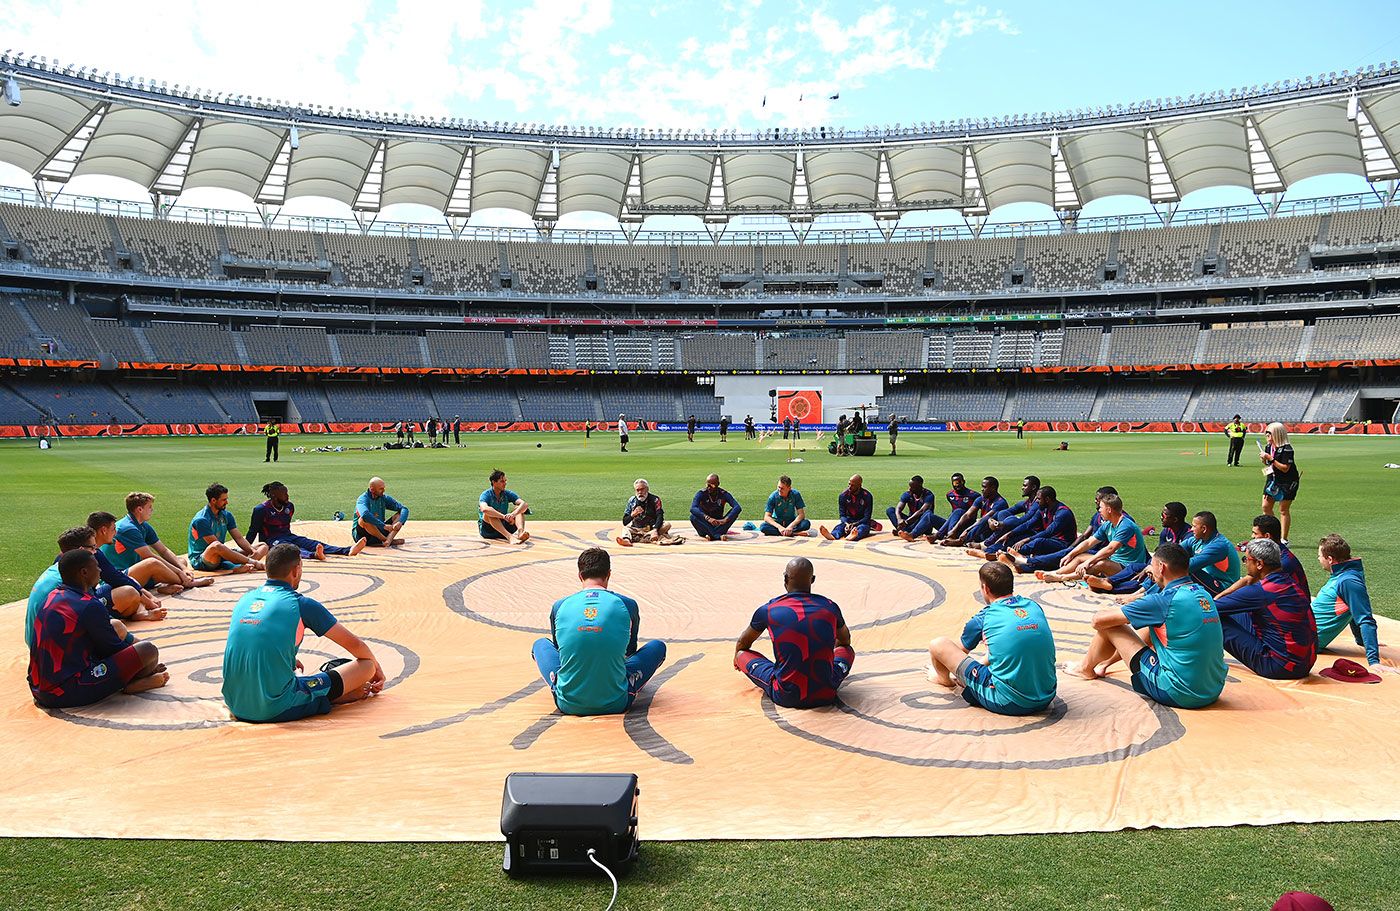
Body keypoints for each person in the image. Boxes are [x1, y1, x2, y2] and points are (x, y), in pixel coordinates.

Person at [221, 543, 385, 723]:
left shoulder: (246, 599)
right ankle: (328, 697)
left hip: (235, 703)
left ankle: (325, 696)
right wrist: (377, 670)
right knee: (366, 666)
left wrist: (287, 659)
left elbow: (253, 640)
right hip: (274, 708)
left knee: (295, 673)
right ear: (296, 570)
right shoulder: (301, 604)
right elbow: (357, 646)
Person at [1067, 542, 1226, 709]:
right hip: (1212, 690)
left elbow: (1098, 621)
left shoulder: (1163, 601)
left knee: (1111, 626)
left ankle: (1085, 668)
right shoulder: (1203, 594)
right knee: (1156, 628)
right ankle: (1104, 664)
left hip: (1179, 693)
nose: (1149, 570)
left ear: (1161, 567)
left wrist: (1122, 610)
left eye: (1151, 566)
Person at [531, 547, 667, 715]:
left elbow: (560, 651)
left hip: (568, 703)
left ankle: (568, 686)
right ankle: (612, 682)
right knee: (657, 647)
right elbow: (629, 652)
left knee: (540, 644)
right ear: (608, 574)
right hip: (616, 701)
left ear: (580, 575)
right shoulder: (627, 604)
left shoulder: (560, 606)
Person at [28, 550, 169, 708]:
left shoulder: (53, 596)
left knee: (112, 635)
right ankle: (135, 682)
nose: (100, 571)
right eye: (97, 566)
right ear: (84, 572)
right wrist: (139, 664)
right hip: (65, 691)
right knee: (147, 650)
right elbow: (112, 648)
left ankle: (135, 677)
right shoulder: (89, 605)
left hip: (39, 689)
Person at [926, 561, 1056, 716]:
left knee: (938, 644)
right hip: (1046, 696)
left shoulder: (985, 616)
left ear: (985, 588)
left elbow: (958, 653)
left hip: (1009, 702)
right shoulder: (1033, 606)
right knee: (1012, 644)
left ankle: (944, 680)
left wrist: (965, 674)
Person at [734, 557, 853, 708]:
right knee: (847, 650)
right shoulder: (830, 606)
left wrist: (737, 658)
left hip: (786, 696)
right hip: (826, 693)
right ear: (813, 580)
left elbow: (743, 643)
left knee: (741, 654)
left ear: (785, 578)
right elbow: (845, 641)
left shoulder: (769, 609)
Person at [26, 526, 152, 651]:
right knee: (116, 628)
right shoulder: (75, 579)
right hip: (52, 648)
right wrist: (138, 649)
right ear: (82, 551)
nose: (96, 551)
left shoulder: (60, 568)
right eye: (93, 547)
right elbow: (103, 624)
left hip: (37, 642)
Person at [1213, 538, 1316, 680]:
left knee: (1212, 618)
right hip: (1305, 663)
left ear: (1259, 564)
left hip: (1277, 666)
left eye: (1246, 559)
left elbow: (1210, 609)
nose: (1245, 564)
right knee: (1237, 611)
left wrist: (1217, 598)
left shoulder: (1260, 591)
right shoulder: (1289, 582)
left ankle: (1197, 659)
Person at [102, 492, 210, 593]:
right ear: (140, 509)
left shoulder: (142, 525)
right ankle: (186, 582)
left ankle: (163, 586)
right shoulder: (128, 528)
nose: (152, 511)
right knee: (152, 564)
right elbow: (149, 556)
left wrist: (183, 568)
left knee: (180, 561)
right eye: (149, 507)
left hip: (134, 570)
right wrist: (180, 573)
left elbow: (163, 550)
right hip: (118, 575)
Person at [1311, 533, 1388, 675]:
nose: (1318, 559)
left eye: (1319, 556)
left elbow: (1365, 619)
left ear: (1330, 559)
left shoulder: (1348, 581)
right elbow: (1352, 609)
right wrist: (1361, 640)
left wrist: (1374, 660)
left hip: (1301, 639)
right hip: (1300, 630)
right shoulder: (1346, 574)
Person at [1037, 493, 1147, 584]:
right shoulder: (1108, 524)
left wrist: (1088, 562)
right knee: (1080, 557)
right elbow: (1089, 542)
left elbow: (1110, 549)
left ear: (1109, 509)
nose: (1099, 510)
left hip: (1128, 567)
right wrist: (1071, 554)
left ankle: (1063, 577)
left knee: (1099, 563)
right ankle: (1057, 572)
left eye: (1101, 507)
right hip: (1115, 562)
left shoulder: (1125, 526)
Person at [1005, 486, 1116, 575]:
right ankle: (1023, 563)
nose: (1095, 501)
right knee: (1066, 555)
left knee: (1058, 553)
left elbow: (1112, 548)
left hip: (1100, 554)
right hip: (1089, 550)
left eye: (1098, 500)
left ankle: (1026, 561)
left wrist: (1069, 551)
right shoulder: (1098, 516)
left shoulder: (1063, 512)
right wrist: (1072, 550)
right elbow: (1085, 537)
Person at [249, 481, 366, 560]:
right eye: (284, 494)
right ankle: (314, 555)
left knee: (310, 543)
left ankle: (346, 550)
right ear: (274, 495)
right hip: (272, 541)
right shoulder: (261, 510)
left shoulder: (289, 507)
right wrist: (246, 548)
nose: (287, 496)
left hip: (288, 536)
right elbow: (252, 531)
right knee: (291, 549)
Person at [87, 511, 168, 619]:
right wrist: (149, 602)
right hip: (86, 601)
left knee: (131, 582)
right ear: (103, 530)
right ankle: (141, 614)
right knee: (130, 591)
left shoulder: (94, 551)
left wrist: (149, 596)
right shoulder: (92, 554)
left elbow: (118, 577)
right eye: (113, 529)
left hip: (93, 592)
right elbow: (116, 578)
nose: (115, 533)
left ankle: (142, 610)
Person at [188, 483, 268, 573]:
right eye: (224, 500)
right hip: (203, 558)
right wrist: (252, 560)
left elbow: (239, 538)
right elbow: (216, 546)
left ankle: (243, 565)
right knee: (217, 546)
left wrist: (252, 550)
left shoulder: (227, 515)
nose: (227, 502)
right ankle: (247, 564)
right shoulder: (201, 520)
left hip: (222, 553)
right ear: (213, 500)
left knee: (263, 546)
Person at [1240, 514, 1308, 597]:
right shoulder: (1276, 554)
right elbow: (1250, 579)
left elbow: (1252, 582)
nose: (1252, 536)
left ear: (1267, 536)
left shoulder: (1282, 563)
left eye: (1255, 533)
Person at [1179, 510, 1241, 596]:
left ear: (1204, 529)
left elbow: (1190, 565)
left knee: (1184, 568)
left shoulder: (1219, 545)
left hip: (1223, 588)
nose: (1191, 529)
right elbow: (1174, 550)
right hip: (1207, 581)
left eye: (1194, 526)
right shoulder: (1196, 540)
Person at [938, 476, 1008, 547]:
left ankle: (961, 541)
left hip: (990, 534)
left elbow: (983, 520)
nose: (982, 489)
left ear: (993, 488)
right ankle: (950, 535)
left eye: (984, 487)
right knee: (958, 512)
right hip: (979, 531)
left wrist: (967, 531)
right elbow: (968, 514)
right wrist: (954, 530)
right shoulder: (981, 499)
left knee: (986, 519)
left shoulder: (1000, 503)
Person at [1260, 422, 1299, 544]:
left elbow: (1285, 468)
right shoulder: (1268, 447)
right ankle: (1272, 533)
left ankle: (1283, 538)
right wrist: (1264, 459)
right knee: (1266, 506)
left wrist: (1270, 458)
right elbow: (1268, 465)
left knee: (1283, 510)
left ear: (1276, 434)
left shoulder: (1287, 449)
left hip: (1287, 482)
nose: (1267, 437)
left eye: (1269, 434)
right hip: (1272, 479)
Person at [617, 478, 681, 546]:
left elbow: (660, 516)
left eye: (642, 489)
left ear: (647, 489)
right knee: (625, 529)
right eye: (637, 490)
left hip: (652, 527)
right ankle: (627, 540)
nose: (640, 492)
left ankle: (648, 535)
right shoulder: (632, 501)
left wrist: (655, 529)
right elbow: (625, 522)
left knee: (667, 525)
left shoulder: (655, 499)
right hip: (637, 528)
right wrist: (632, 515)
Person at [353, 477, 409, 547]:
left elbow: (404, 508)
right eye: (381, 489)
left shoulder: (383, 498)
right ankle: (386, 540)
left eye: (383, 488)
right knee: (362, 520)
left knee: (400, 515)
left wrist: (400, 522)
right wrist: (384, 526)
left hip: (380, 530)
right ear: (372, 489)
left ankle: (388, 540)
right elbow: (365, 514)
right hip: (364, 536)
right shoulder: (363, 499)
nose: (384, 490)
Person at [479, 469, 531, 544]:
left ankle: (520, 533)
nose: (505, 483)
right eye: (502, 481)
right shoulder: (486, 494)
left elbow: (524, 504)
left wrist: (513, 514)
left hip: (505, 525)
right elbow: (484, 509)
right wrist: (503, 517)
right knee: (489, 513)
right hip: (488, 531)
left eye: (505, 481)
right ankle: (509, 537)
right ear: (494, 482)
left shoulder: (507, 493)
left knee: (518, 508)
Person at [821, 474, 875, 541]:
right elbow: (842, 515)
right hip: (849, 520)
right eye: (849, 484)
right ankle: (833, 535)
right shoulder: (843, 496)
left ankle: (854, 535)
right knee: (840, 527)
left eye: (853, 485)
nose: (849, 487)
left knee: (863, 528)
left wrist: (855, 524)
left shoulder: (867, 496)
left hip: (861, 521)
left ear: (859, 485)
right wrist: (847, 523)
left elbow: (867, 517)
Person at [690, 473, 742, 540]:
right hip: (705, 523)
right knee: (693, 517)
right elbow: (693, 508)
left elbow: (737, 507)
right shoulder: (701, 493)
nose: (709, 487)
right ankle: (717, 535)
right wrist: (708, 518)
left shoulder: (723, 494)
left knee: (734, 514)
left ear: (718, 484)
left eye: (711, 485)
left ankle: (711, 535)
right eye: (707, 484)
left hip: (719, 524)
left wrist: (725, 520)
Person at [928, 472, 976, 543]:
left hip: (966, 525)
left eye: (960, 482)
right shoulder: (950, 495)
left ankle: (941, 535)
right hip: (952, 523)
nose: (958, 485)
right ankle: (912, 534)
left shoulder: (974, 495)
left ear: (964, 482)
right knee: (928, 515)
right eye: (955, 483)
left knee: (958, 511)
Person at [888, 475, 937, 541]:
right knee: (890, 510)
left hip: (922, 523)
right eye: (910, 486)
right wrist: (899, 519)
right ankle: (904, 530)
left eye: (913, 487)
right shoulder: (908, 494)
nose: (910, 489)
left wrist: (906, 522)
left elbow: (921, 511)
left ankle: (906, 532)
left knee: (928, 513)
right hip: (909, 522)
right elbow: (898, 508)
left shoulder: (928, 495)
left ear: (920, 486)